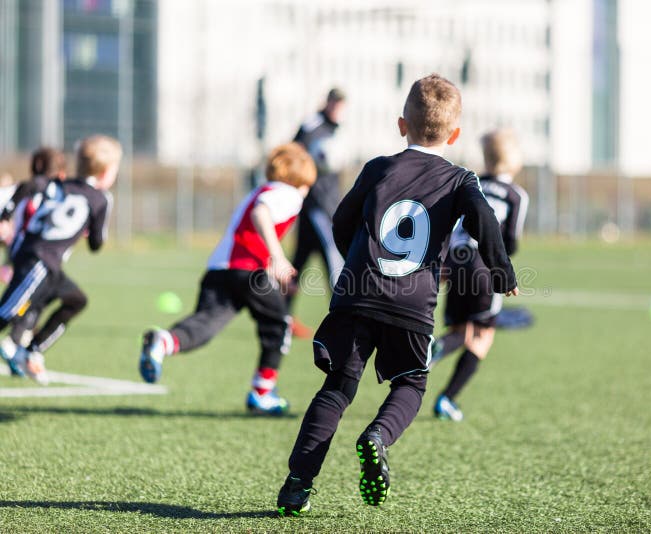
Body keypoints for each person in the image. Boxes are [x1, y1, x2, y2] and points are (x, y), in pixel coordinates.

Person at [275, 74, 519, 516]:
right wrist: (502, 273)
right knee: (411, 382)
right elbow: (484, 221)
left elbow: (342, 222)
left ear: (401, 124)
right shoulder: (461, 179)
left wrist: (355, 262)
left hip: (357, 293)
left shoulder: (377, 168)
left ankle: (297, 486)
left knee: (337, 388)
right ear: (455, 135)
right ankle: (378, 435)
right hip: (412, 302)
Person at [137, 143, 317, 415]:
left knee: (204, 325)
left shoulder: (259, 191)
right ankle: (262, 394)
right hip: (249, 273)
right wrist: (277, 257)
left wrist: (273, 268)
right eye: (307, 185)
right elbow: (261, 214)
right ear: (299, 180)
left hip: (219, 270)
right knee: (279, 325)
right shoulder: (288, 193)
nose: (307, 191)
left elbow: (248, 230)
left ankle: (163, 342)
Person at [428, 129, 529, 422]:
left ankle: (436, 348)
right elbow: (510, 241)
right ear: (514, 160)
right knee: (483, 335)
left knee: (462, 331)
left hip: (456, 261)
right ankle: (447, 398)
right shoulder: (516, 195)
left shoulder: (469, 182)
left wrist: (445, 264)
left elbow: (451, 226)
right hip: (485, 265)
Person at [0, 136, 119, 384]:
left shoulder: (61, 185)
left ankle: (31, 351)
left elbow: (30, 186)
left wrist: (7, 213)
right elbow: (96, 244)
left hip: (45, 263)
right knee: (7, 312)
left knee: (76, 300)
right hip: (39, 261)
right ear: (106, 172)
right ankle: (21, 347)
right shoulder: (102, 198)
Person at [0, 147, 73, 374]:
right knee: (28, 302)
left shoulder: (26, 187)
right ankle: (15, 342)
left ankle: (18, 346)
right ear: (61, 173)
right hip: (35, 256)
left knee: (33, 300)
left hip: (25, 253)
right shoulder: (55, 191)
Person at [288, 88, 347, 337]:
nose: (338, 110)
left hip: (327, 205)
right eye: (336, 105)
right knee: (334, 260)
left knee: (299, 262)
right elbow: (294, 154)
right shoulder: (312, 126)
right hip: (315, 207)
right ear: (328, 103)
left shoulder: (336, 129)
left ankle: (282, 317)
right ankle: (342, 319)